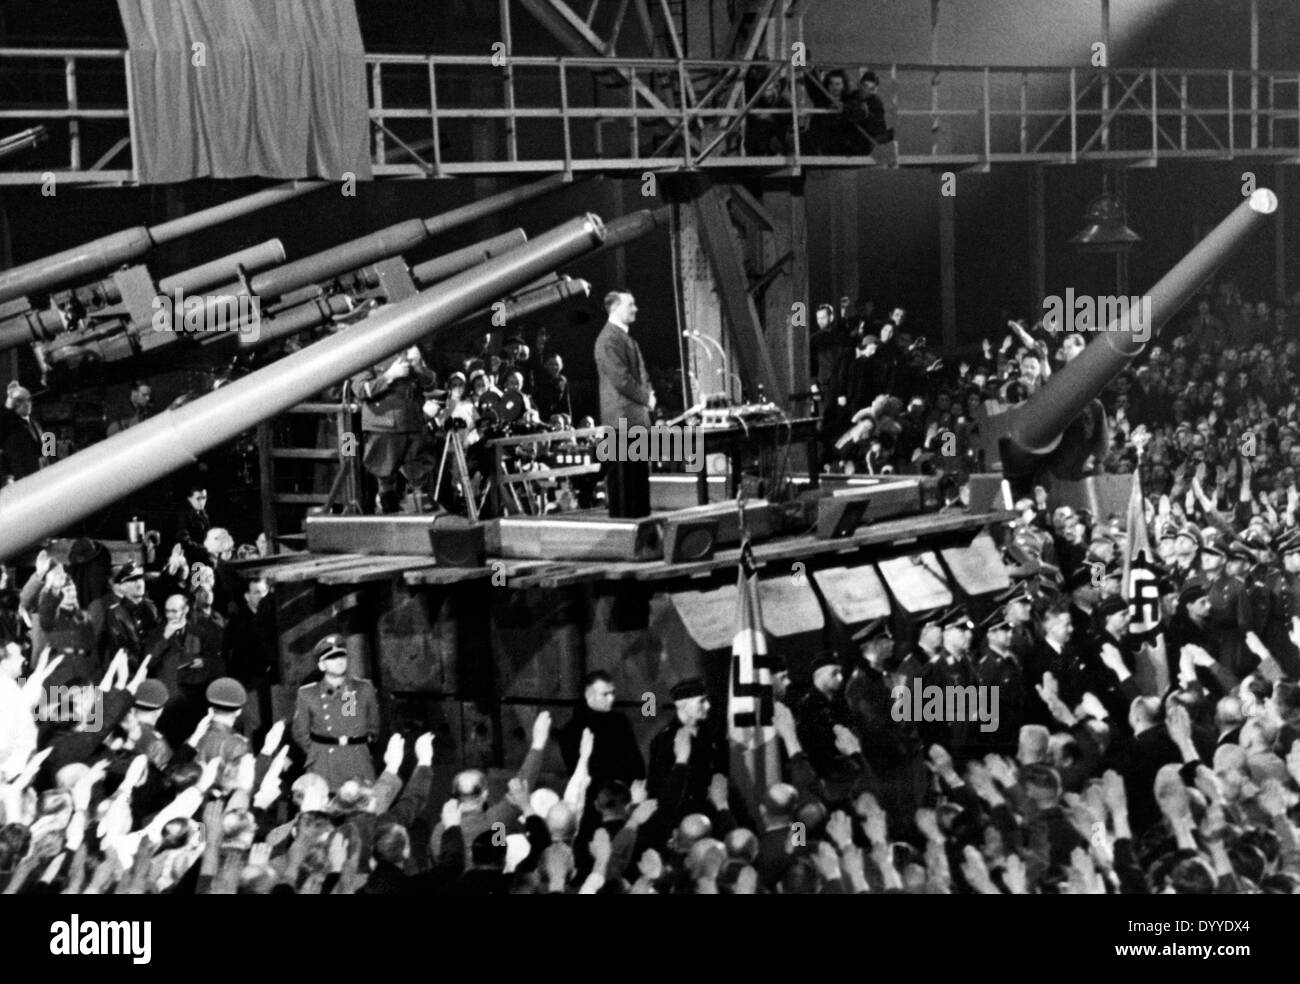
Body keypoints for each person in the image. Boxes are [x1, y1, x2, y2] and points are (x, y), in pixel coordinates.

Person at [351, 346, 438, 514]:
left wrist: (419, 367)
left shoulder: (411, 351)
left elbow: (432, 383)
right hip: (383, 424)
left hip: (412, 422)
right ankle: (390, 519)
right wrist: (389, 376)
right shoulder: (369, 352)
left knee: (419, 474)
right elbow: (361, 390)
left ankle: (419, 522)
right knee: (385, 477)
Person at [594, 290, 655, 518]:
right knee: (626, 484)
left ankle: (640, 530)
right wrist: (646, 397)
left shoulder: (624, 338)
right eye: (631, 304)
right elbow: (621, 379)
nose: (635, 308)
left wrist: (648, 394)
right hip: (622, 421)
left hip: (632, 419)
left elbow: (639, 374)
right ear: (615, 308)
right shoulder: (609, 339)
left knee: (637, 481)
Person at [292, 634, 380, 790]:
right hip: (324, 764)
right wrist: (317, 752)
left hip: (356, 761)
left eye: (342, 656)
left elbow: (372, 727)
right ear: (322, 665)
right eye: (332, 658)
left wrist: (360, 747)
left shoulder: (360, 688)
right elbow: (300, 732)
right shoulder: (308, 694)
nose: (339, 661)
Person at [557, 670, 645, 792]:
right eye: (605, 694)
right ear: (588, 694)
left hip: (624, 795)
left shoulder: (620, 722)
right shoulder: (572, 731)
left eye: (612, 693)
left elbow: (636, 761)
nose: (611, 698)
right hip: (597, 799)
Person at [0, 386, 48, 483]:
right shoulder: (10, 426)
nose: (28, 404)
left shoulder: (35, 423)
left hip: (40, 475)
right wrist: (8, 476)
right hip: (21, 478)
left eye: (29, 400)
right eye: (24, 401)